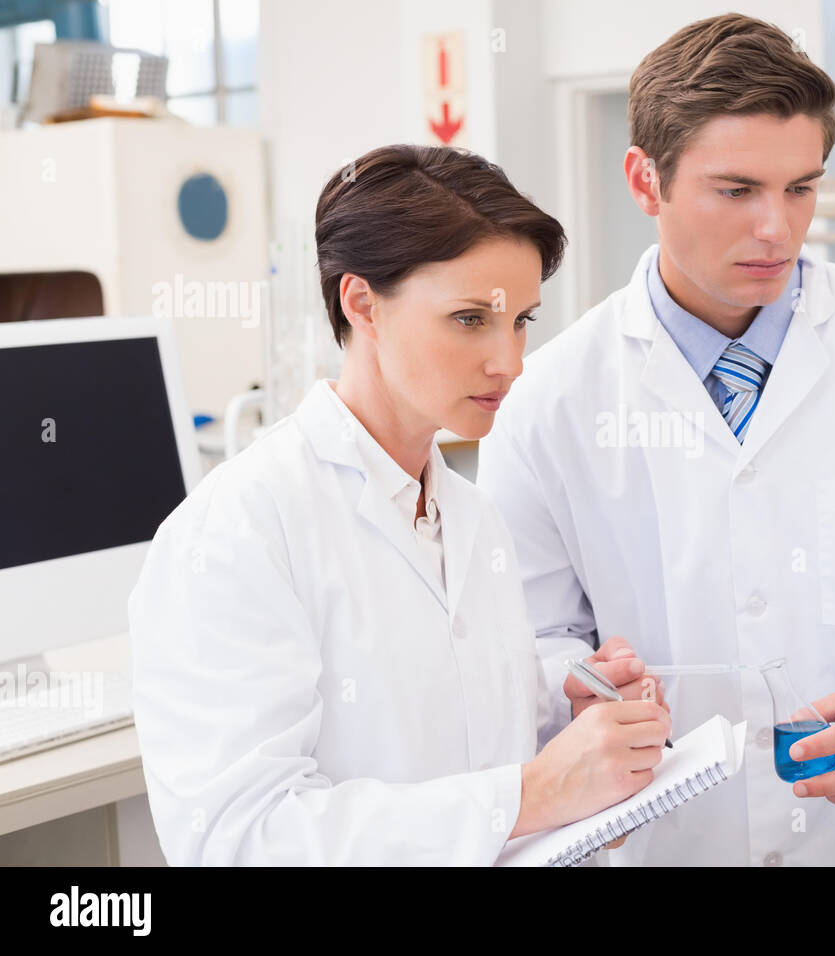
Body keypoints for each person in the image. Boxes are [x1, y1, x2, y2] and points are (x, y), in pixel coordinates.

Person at [475, 14, 835, 866]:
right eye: (737, 191)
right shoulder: (548, 402)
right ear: (645, 181)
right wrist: (582, 688)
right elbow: (522, 647)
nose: (778, 229)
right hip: (671, 841)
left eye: (801, 188)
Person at [127, 145, 670, 865]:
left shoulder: (473, 519)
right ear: (362, 303)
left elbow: (462, 761)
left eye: (521, 322)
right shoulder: (239, 528)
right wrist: (536, 791)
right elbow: (242, 838)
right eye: (472, 320)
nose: (509, 361)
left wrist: (570, 732)